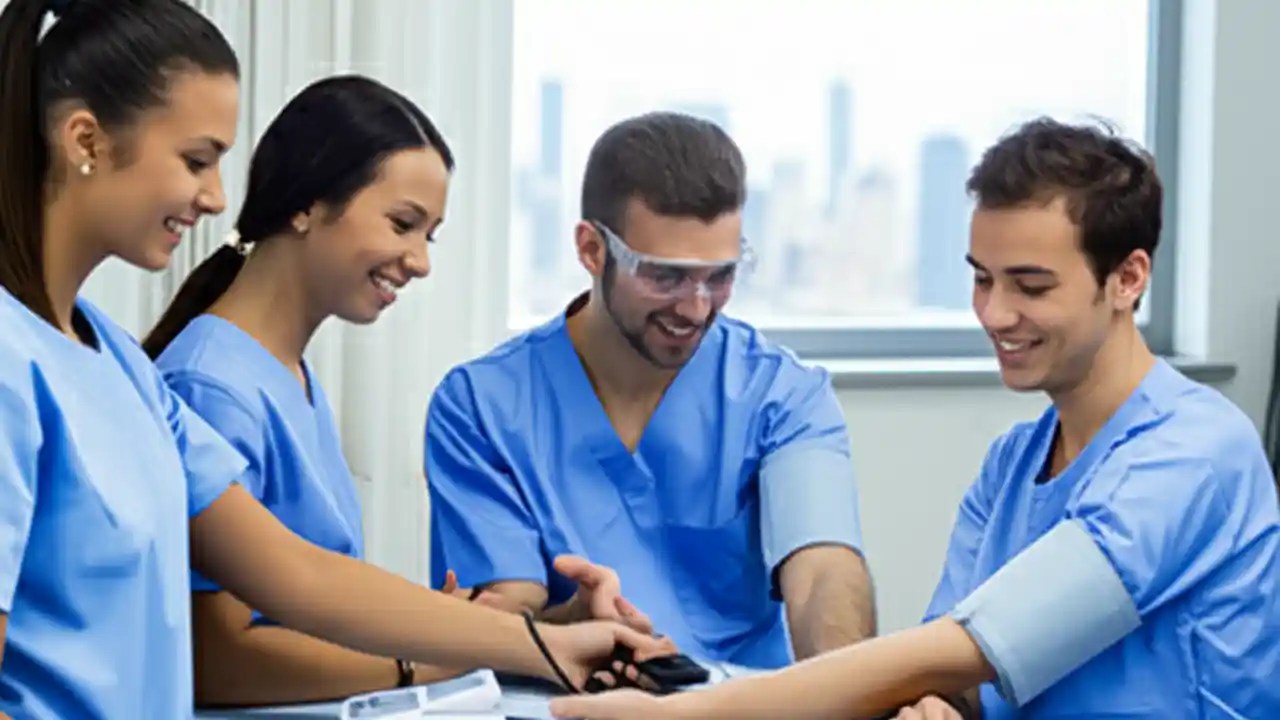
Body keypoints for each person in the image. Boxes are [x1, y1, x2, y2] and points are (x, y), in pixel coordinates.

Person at [0, 1, 672, 718]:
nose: (218, 196)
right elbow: (225, 649)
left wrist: (541, 643)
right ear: (86, 141)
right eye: (196, 160)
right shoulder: (18, 363)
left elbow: (299, 574)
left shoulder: (119, 366)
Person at [546, 118, 1280, 719]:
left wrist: (693, 715)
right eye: (981, 278)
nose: (995, 314)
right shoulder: (1012, 467)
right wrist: (930, 709)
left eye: (1030, 285)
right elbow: (949, 675)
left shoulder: (1198, 453)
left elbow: (968, 648)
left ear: (1128, 279)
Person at [140, 73, 650, 708]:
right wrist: (422, 663)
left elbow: (320, 609)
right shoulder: (211, 385)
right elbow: (221, 660)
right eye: (403, 224)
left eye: (428, 235)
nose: (420, 261)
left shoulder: (283, 373)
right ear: (307, 204)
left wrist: (544, 632)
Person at [424, 111, 875, 671]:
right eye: (666, 276)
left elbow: (823, 574)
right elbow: (502, 619)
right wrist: (575, 626)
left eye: (720, 276)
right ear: (592, 250)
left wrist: (849, 691)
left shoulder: (782, 397)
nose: (696, 307)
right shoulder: (481, 408)